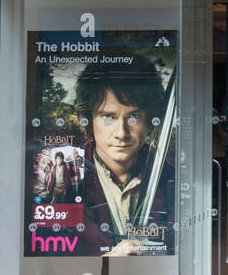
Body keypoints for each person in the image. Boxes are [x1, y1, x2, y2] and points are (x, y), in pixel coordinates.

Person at [72, 54, 175, 257]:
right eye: (108, 117)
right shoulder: (69, 177)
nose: (121, 132)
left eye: (133, 116)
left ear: (151, 120)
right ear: (88, 119)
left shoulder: (173, 178)